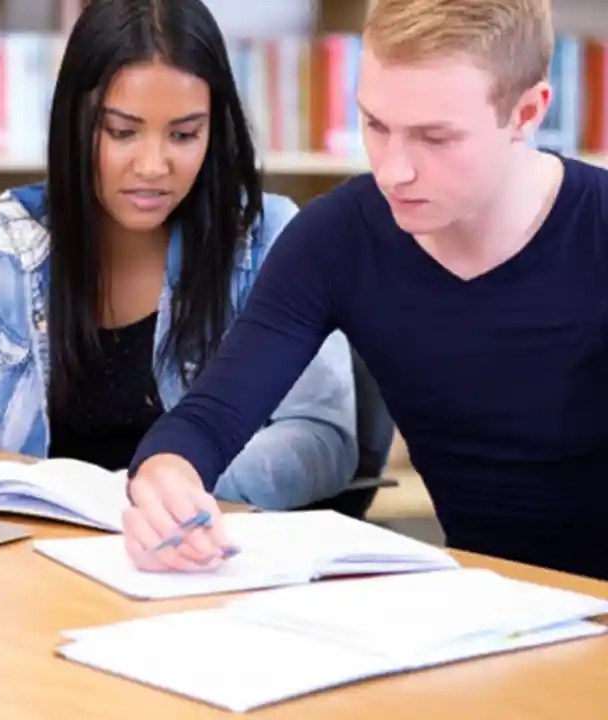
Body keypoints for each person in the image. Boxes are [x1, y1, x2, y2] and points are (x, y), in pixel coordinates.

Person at [124, 0, 608, 581]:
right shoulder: (339, 237)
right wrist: (166, 477)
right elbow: (211, 417)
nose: (393, 171)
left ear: (526, 113)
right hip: (481, 612)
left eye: (435, 137)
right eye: (376, 125)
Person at [0, 0, 358, 510]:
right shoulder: (8, 238)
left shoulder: (268, 238)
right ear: (76, 122)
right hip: (42, 550)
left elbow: (322, 440)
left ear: (214, 129)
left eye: (184, 134)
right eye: (122, 132)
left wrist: (179, 480)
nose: (154, 165)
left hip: (199, 549)